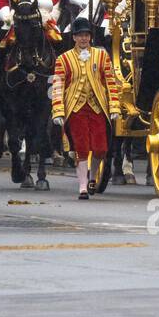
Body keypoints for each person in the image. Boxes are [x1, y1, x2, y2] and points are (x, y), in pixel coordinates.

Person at [52, 16, 123, 199]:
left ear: (90, 37)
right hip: (76, 108)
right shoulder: (63, 59)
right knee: (81, 147)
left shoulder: (101, 56)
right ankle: (83, 186)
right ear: (74, 38)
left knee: (101, 148)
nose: (83, 38)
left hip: (97, 106)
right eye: (79, 35)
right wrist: (58, 110)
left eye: (86, 35)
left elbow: (110, 83)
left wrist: (114, 106)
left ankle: (92, 178)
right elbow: (58, 86)